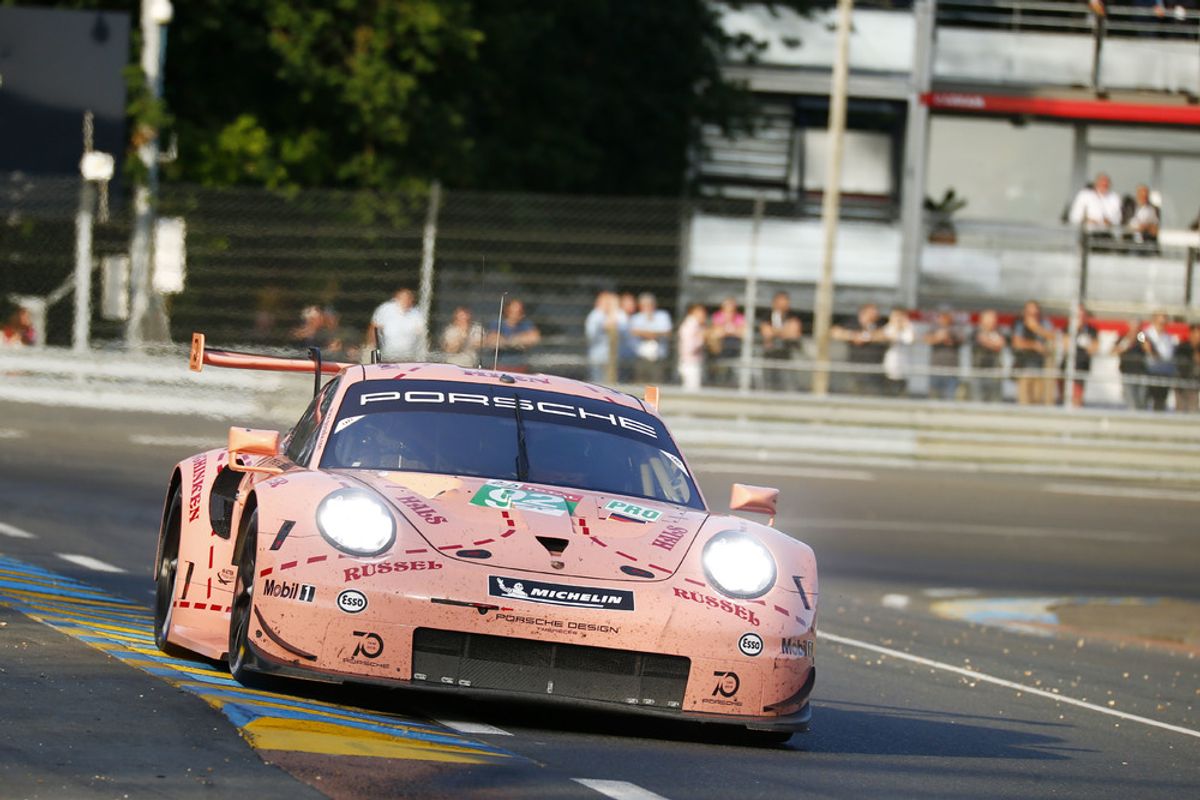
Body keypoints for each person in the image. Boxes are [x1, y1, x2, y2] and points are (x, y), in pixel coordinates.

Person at [832, 303, 887, 396]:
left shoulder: (879, 324)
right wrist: (852, 336)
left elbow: (885, 334)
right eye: (872, 313)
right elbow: (834, 332)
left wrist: (866, 337)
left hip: (874, 372)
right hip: (855, 371)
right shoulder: (852, 324)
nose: (876, 315)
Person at [1011, 300, 1057, 405]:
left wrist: (1036, 328)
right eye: (1029, 312)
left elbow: (1053, 337)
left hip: (1041, 367)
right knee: (1024, 400)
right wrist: (1034, 345)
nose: (1032, 315)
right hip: (1024, 367)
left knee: (1038, 399)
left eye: (1035, 313)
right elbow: (1016, 343)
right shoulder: (1019, 324)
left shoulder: (1044, 323)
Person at [367, 287, 426, 362]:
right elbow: (374, 330)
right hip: (386, 355)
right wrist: (374, 351)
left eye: (409, 299)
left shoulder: (417, 314)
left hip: (409, 357)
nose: (407, 301)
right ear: (397, 298)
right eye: (404, 298)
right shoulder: (385, 309)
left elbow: (423, 335)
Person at [759, 291, 803, 391]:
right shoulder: (767, 316)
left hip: (788, 353)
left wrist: (776, 331)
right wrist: (784, 331)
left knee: (789, 382)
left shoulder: (792, 316)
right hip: (770, 353)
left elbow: (794, 333)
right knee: (769, 382)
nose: (783, 304)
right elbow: (766, 333)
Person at [485, 297, 540, 373]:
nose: (516, 314)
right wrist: (516, 341)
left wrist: (509, 341)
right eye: (513, 311)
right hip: (500, 364)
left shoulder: (525, 324)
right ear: (507, 311)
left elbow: (534, 338)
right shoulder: (498, 323)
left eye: (519, 312)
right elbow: (493, 340)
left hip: (519, 365)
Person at [629, 292, 672, 385]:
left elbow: (667, 332)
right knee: (639, 383)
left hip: (658, 357)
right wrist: (654, 334)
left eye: (650, 304)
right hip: (641, 357)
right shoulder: (636, 318)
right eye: (645, 305)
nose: (648, 307)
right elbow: (633, 332)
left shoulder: (662, 315)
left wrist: (645, 333)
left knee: (657, 384)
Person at [584, 290, 627, 384]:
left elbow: (624, 331)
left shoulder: (619, 313)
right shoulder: (595, 314)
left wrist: (613, 311)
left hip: (616, 358)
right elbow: (591, 335)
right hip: (598, 356)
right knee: (596, 384)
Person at [1064, 305, 1100, 407]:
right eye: (1078, 316)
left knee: (1078, 395)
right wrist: (1075, 329)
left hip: (1082, 366)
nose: (1081, 318)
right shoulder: (1068, 329)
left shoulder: (1091, 330)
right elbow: (1066, 346)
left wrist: (1087, 344)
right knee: (1067, 395)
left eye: (1083, 315)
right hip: (1068, 367)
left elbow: (1094, 348)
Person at [1141, 312, 1178, 411]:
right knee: (1145, 399)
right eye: (1159, 321)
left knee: (1160, 401)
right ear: (1154, 320)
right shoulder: (1146, 334)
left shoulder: (1168, 337)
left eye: (1164, 321)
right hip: (1150, 371)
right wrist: (1147, 346)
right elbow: (1139, 337)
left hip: (1164, 373)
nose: (1162, 324)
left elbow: (1168, 355)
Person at [1067, 172, 1122, 238]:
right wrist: (1087, 220)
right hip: (1087, 234)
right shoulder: (1084, 195)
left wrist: (1109, 222)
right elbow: (1074, 217)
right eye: (1102, 183)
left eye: (1106, 184)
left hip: (1107, 235)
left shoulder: (1114, 198)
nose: (1104, 185)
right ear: (1096, 183)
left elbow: (1118, 219)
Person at [925, 309, 963, 400]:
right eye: (942, 316)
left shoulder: (956, 327)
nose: (944, 319)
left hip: (951, 370)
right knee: (933, 399)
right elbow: (927, 339)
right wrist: (938, 338)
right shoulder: (934, 327)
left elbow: (961, 339)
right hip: (936, 369)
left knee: (950, 400)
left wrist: (948, 336)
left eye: (947, 316)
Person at [707, 296, 746, 387]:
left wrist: (726, 331)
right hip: (719, 348)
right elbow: (715, 332)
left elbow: (743, 333)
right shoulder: (717, 316)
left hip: (734, 347)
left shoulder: (739, 317)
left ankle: (727, 381)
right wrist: (732, 331)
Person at [972, 309, 1007, 402]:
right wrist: (993, 344)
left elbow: (1001, 344)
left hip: (995, 372)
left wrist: (988, 342)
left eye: (994, 319)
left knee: (995, 401)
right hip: (979, 371)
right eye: (990, 319)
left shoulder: (999, 331)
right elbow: (980, 340)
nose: (993, 321)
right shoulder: (975, 331)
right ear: (982, 320)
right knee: (978, 401)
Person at [882, 308, 915, 397]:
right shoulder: (888, 328)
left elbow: (910, 340)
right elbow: (891, 339)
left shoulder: (908, 328)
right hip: (891, 366)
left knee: (902, 392)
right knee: (889, 392)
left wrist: (905, 325)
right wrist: (896, 326)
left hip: (904, 367)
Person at [1115, 320, 1148, 410]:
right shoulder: (1124, 337)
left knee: (1142, 401)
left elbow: (1148, 350)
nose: (1135, 328)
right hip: (1127, 372)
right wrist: (1128, 340)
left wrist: (1141, 337)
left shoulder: (1142, 337)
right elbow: (1115, 351)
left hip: (1141, 372)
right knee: (1131, 401)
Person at [1173, 323, 1200, 413]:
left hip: (1195, 384)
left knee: (1193, 409)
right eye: (1196, 333)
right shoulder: (1183, 347)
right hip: (1181, 382)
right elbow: (1179, 363)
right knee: (1180, 410)